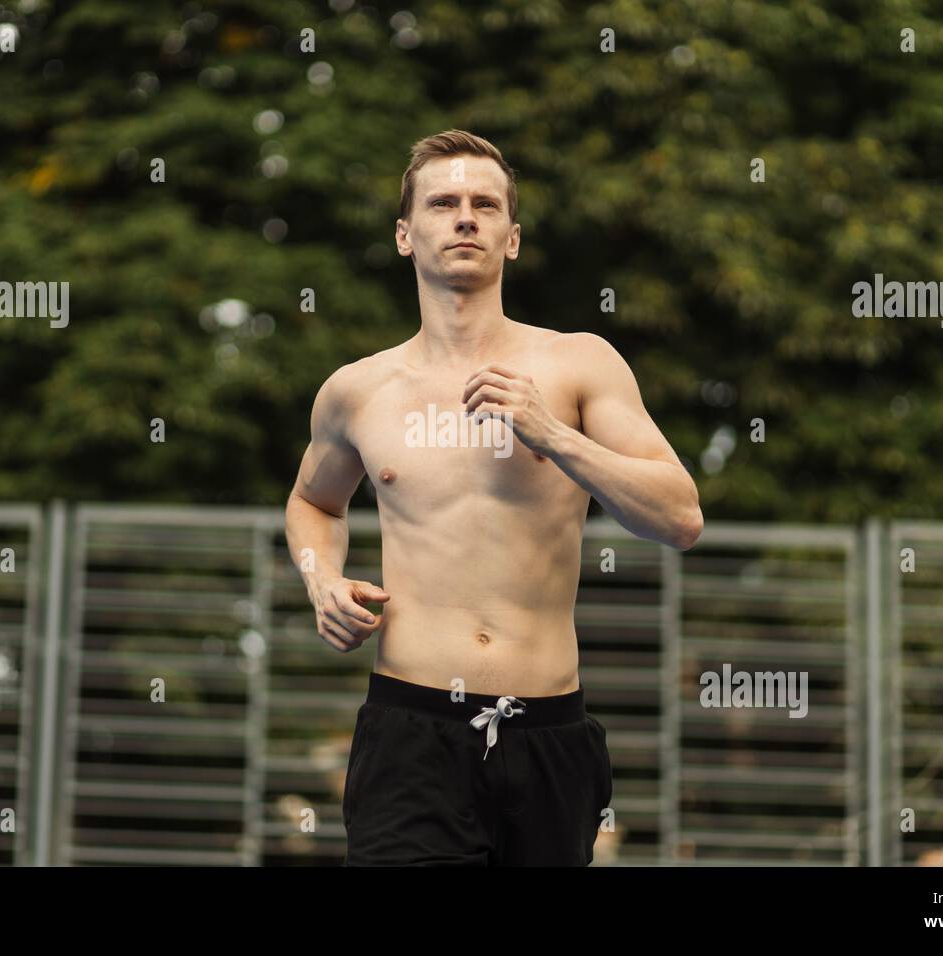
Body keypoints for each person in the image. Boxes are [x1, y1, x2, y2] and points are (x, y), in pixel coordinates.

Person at [285, 129, 702, 865]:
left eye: (486, 204)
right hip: (411, 734)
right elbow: (314, 503)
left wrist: (555, 437)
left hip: (549, 736)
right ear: (406, 234)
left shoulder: (578, 364)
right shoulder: (359, 391)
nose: (466, 217)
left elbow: (680, 517)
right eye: (444, 203)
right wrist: (322, 583)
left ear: (512, 238)